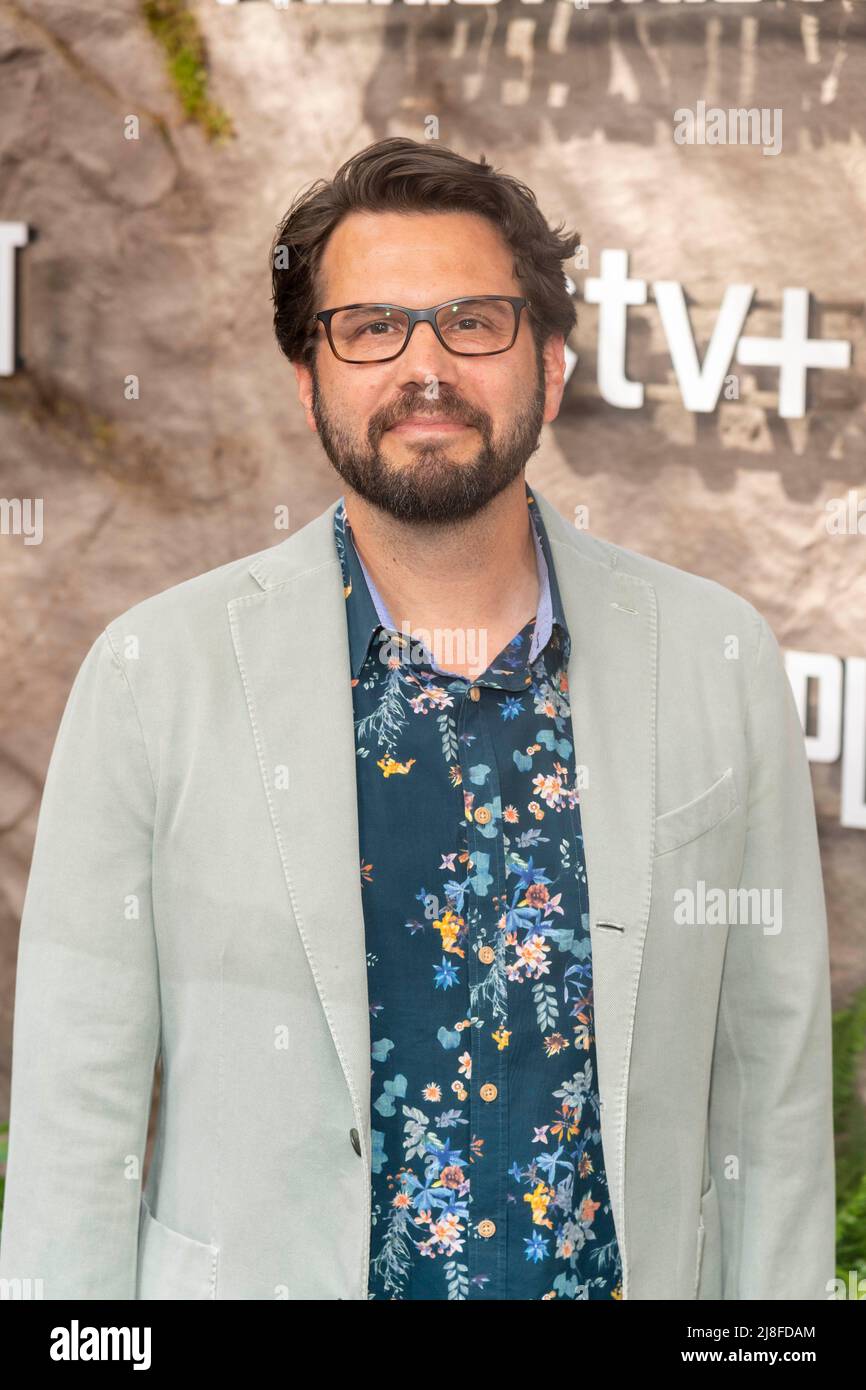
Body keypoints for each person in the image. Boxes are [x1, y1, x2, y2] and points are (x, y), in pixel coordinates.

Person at [0, 137, 834, 1300]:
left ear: (547, 366)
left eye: (472, 321)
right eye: (371, 326)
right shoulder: (153, 675)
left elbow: (772, 1096)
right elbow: (71, 1125)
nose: (424, 365)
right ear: (309, 382)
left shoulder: (713, 655)